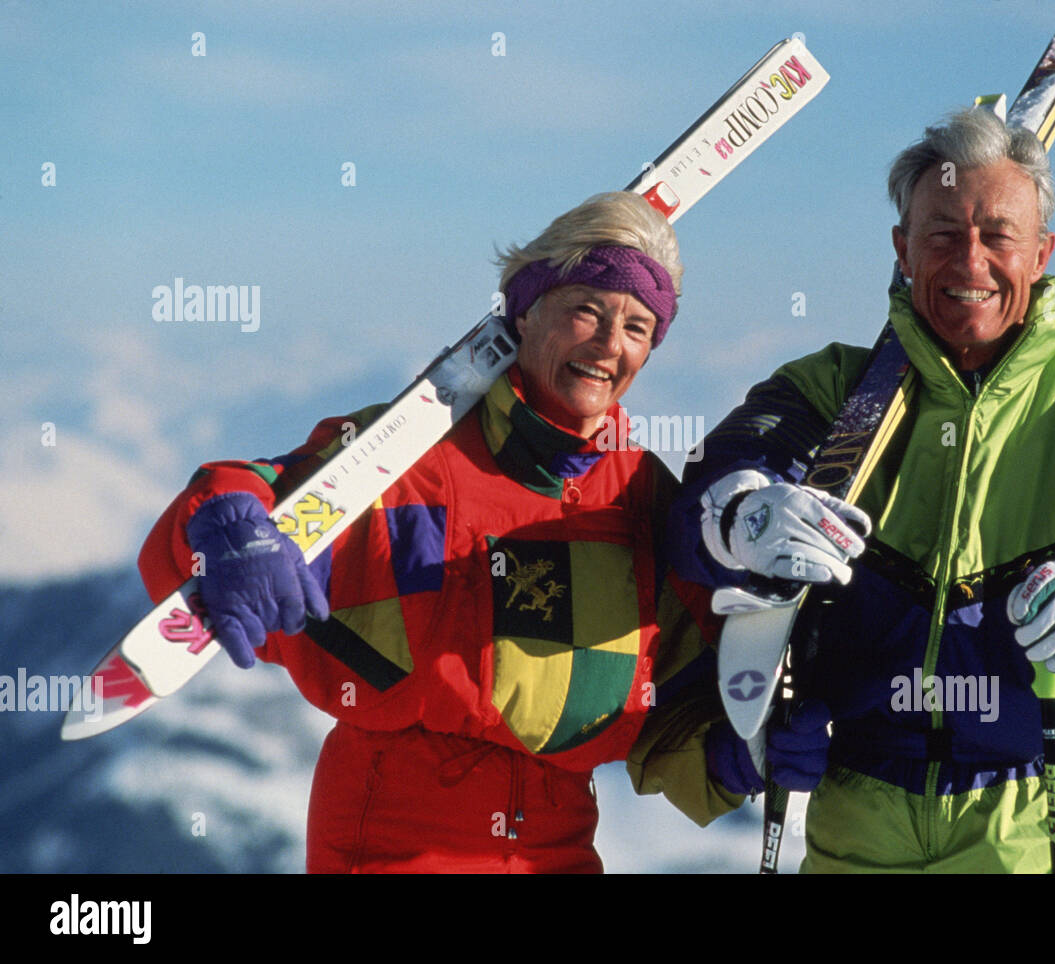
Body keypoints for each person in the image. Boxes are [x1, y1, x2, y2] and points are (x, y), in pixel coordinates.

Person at [662, 108, 1055, 873]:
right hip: (855, 803)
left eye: (998, 234)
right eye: (941, 234)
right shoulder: (833, 392)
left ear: (1041, 254)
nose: (970, 261)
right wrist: (743, 515)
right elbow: (707, 492)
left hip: (1035, 813)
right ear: (903, 251)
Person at [138, 191, 771, 873]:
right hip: (391, 844)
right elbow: (256, 497)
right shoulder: (413, 454)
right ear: (526, 312)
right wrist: (226, 533)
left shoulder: (641, 501)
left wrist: (741, 747)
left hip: (558, 849)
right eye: (586, 309)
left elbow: (679, 694)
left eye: (639, 327)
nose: (609, 345)